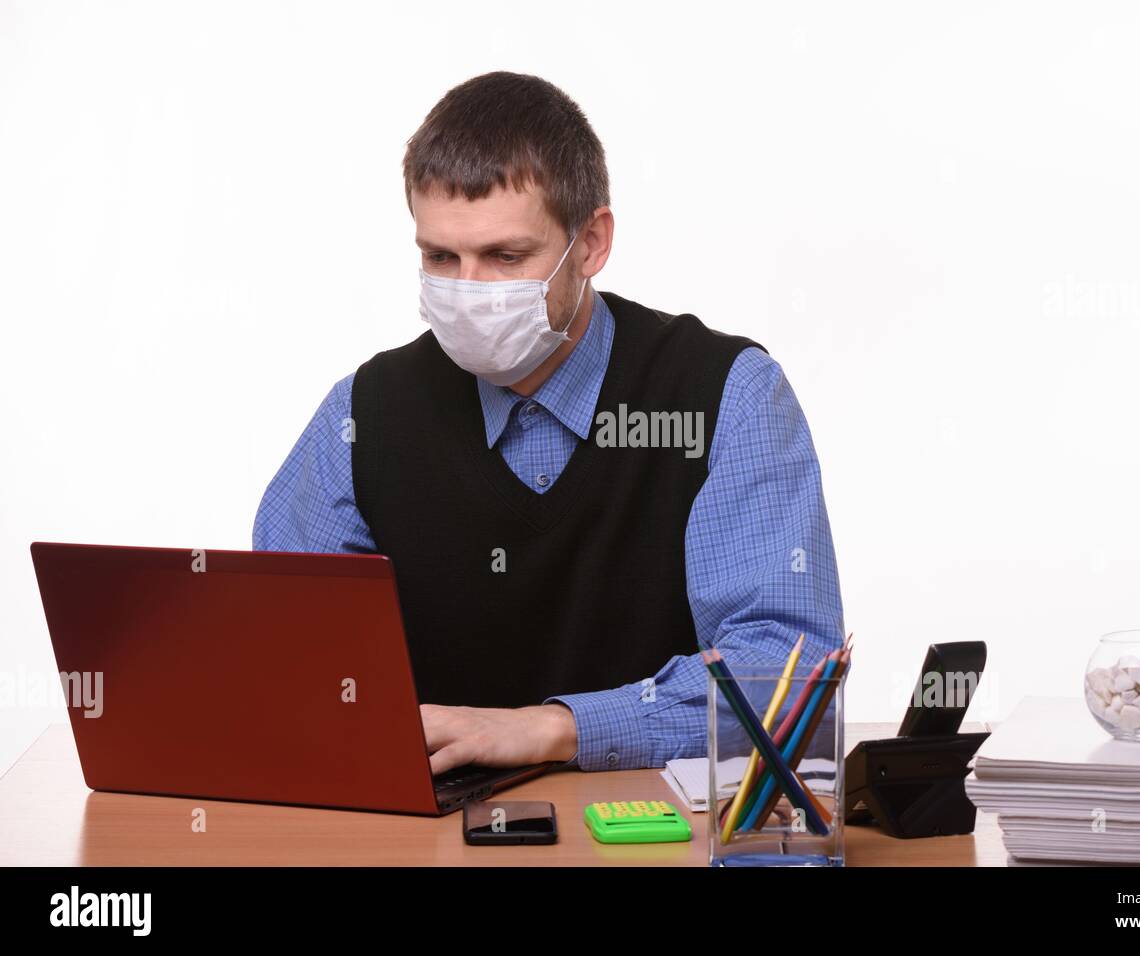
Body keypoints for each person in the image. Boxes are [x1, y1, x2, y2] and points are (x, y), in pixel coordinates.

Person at [253, 71, 844, 776]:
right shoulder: (364, 414)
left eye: (505, 257)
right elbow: (288, 656)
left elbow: (786, 679)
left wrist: (559, 729)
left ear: (590, 243)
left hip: (653, 836)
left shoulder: (727, 396)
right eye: (440, 257)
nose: (466, 292)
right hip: (434, 835)